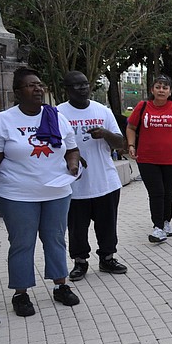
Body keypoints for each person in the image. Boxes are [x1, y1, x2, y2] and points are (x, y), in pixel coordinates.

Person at [0, 67, 82, 317]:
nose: (38, 89)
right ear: (18, 93)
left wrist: (73, 164)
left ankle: (60, 285)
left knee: (55, 239)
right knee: (22, 243)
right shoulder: (3, 120)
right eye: (31, 85)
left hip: (57, 191)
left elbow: (71, 149)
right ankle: (21, 293)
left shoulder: (56, 116)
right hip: (17, 195)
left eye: (40, 84)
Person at [58, 70, 129, 280]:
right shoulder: (58, 113)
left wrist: (105, 134)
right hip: (74, 184)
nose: (83, 88)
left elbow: (121, 143)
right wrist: (69, 156)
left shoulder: (103, 111)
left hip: (105, 181)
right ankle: (80, 262)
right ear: (67, 90)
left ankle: (107, 258)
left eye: (85, 84)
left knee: (107, 224)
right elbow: (51, 146)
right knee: (77, 228)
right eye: (77, 86)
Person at [126, 75, 172, 243]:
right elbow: (131, 127)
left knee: (168, 192)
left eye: (165, 88)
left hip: (171, 159)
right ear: (152, 90)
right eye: (158, 87)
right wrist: (131, 145)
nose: (161, 90)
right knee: (156, 192)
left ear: (170, 91)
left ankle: (166, 222)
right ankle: (157, 227)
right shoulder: (143, 106)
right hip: (147, 158)